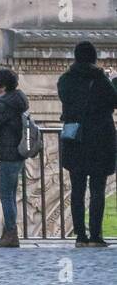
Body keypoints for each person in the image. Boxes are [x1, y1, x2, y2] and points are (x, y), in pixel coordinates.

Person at [57, 41, 117, 248]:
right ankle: (96, 236)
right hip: (100, 139)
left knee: (77, 190)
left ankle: (80, 236)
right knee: (98, 190)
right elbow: (114, 100)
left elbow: (67, 102)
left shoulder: (64, 80)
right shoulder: (100, 79)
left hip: (75, 139)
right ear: (94, 57)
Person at [0, 68, 29, 248]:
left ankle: (10, 233)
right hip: (17, 153)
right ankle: (9, 232)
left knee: (6, 195)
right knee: (10, 194)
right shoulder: (18, 100)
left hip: (8, 153)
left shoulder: (5, 105)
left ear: (2, 86)